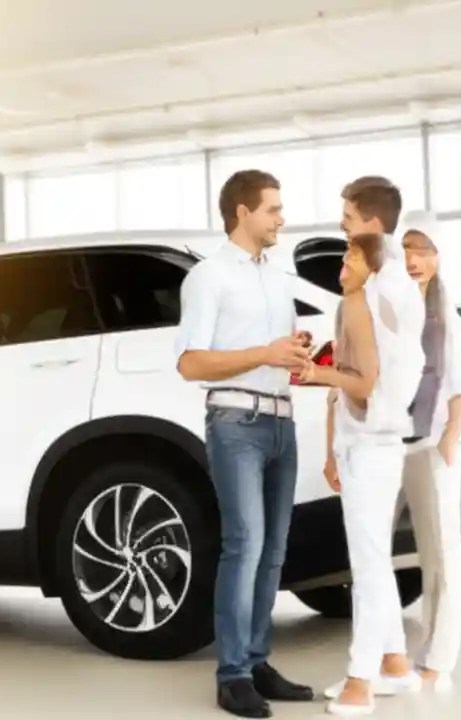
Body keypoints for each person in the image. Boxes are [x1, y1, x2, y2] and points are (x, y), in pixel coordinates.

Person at [175, 169, 316, 719]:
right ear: (242, 212)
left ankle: (256, 661)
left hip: (282, 422)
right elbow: (191, 363)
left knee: (274, 549)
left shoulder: (279, 278)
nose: (281, 218)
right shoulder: (208, 277)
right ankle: (231, 675)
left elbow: (276, 352)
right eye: (273, 209)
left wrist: (295, 351)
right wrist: (264, 353)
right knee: (246, 545)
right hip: (235, 422)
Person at [300, 177, 425, 716]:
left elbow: (365, 378)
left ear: (370, 226)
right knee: (371, 556)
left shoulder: (377, 291)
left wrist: (317, 375)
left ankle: (361, 680)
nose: (341, 228)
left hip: (372, 444)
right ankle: (395, 664)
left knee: (369, 563)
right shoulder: (391, 284)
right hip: (369, 441)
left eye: (347, 220)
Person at [397, 210, 461, 694]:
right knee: (423, 555)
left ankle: (439, 661)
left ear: (439, 258)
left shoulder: (449, 317)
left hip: (435, 444)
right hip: (397, 441)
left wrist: (448, 442)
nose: (414, 259)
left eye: (424, 250)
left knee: (445, 555)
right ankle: (422, 650)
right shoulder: (399, 309)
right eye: (407, 248)